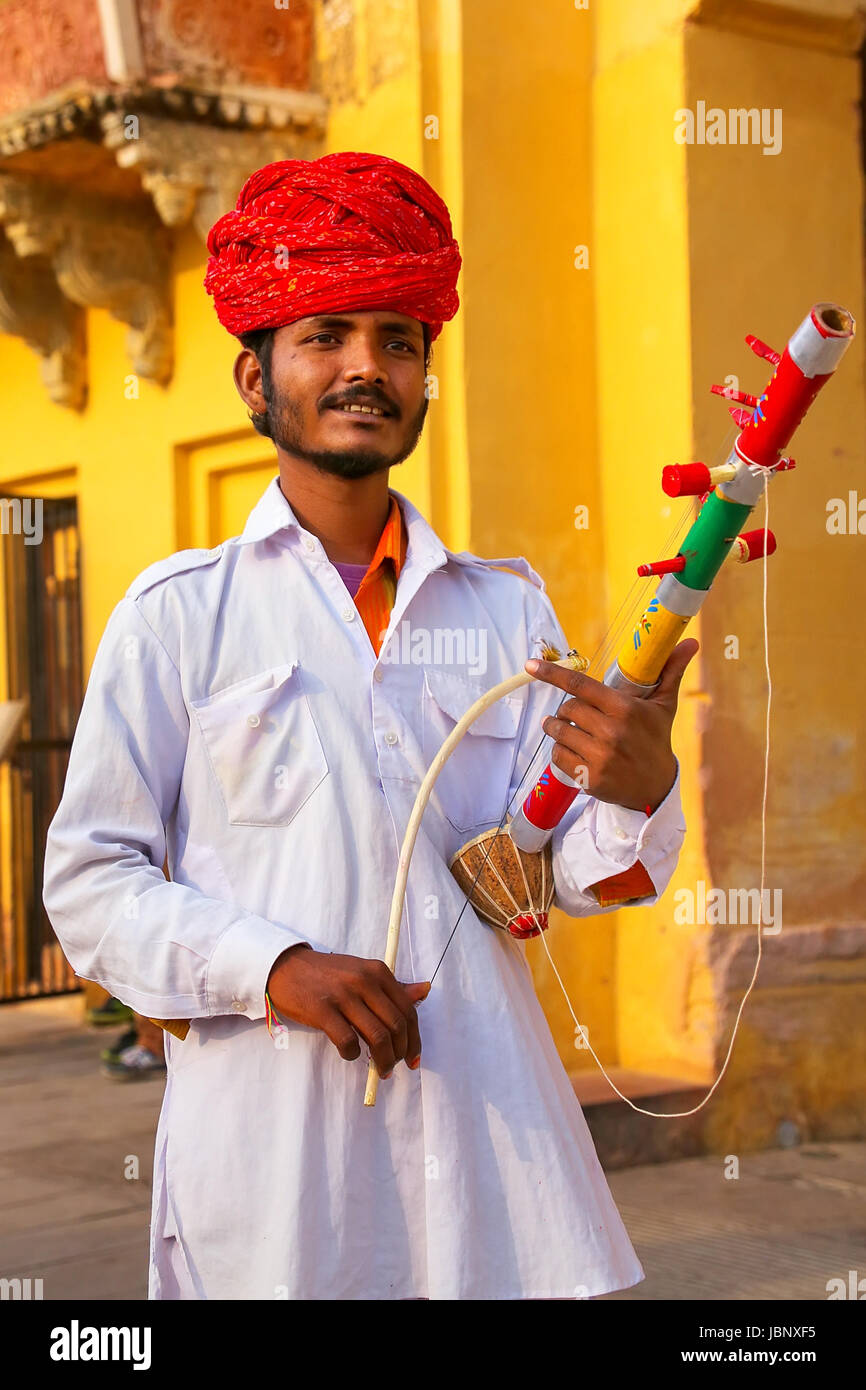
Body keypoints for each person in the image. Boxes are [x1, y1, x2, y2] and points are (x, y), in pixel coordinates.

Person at [43, 151, 695, 1300]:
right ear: (254, 380)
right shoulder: (178, 614)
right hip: (276, 1171)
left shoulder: (506, 606)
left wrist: (635, 788)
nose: (366, 367)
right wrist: (273, 967)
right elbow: (91, 881)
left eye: (397, 340)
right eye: (327, 335)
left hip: (494, 1159)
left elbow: (546, 872)